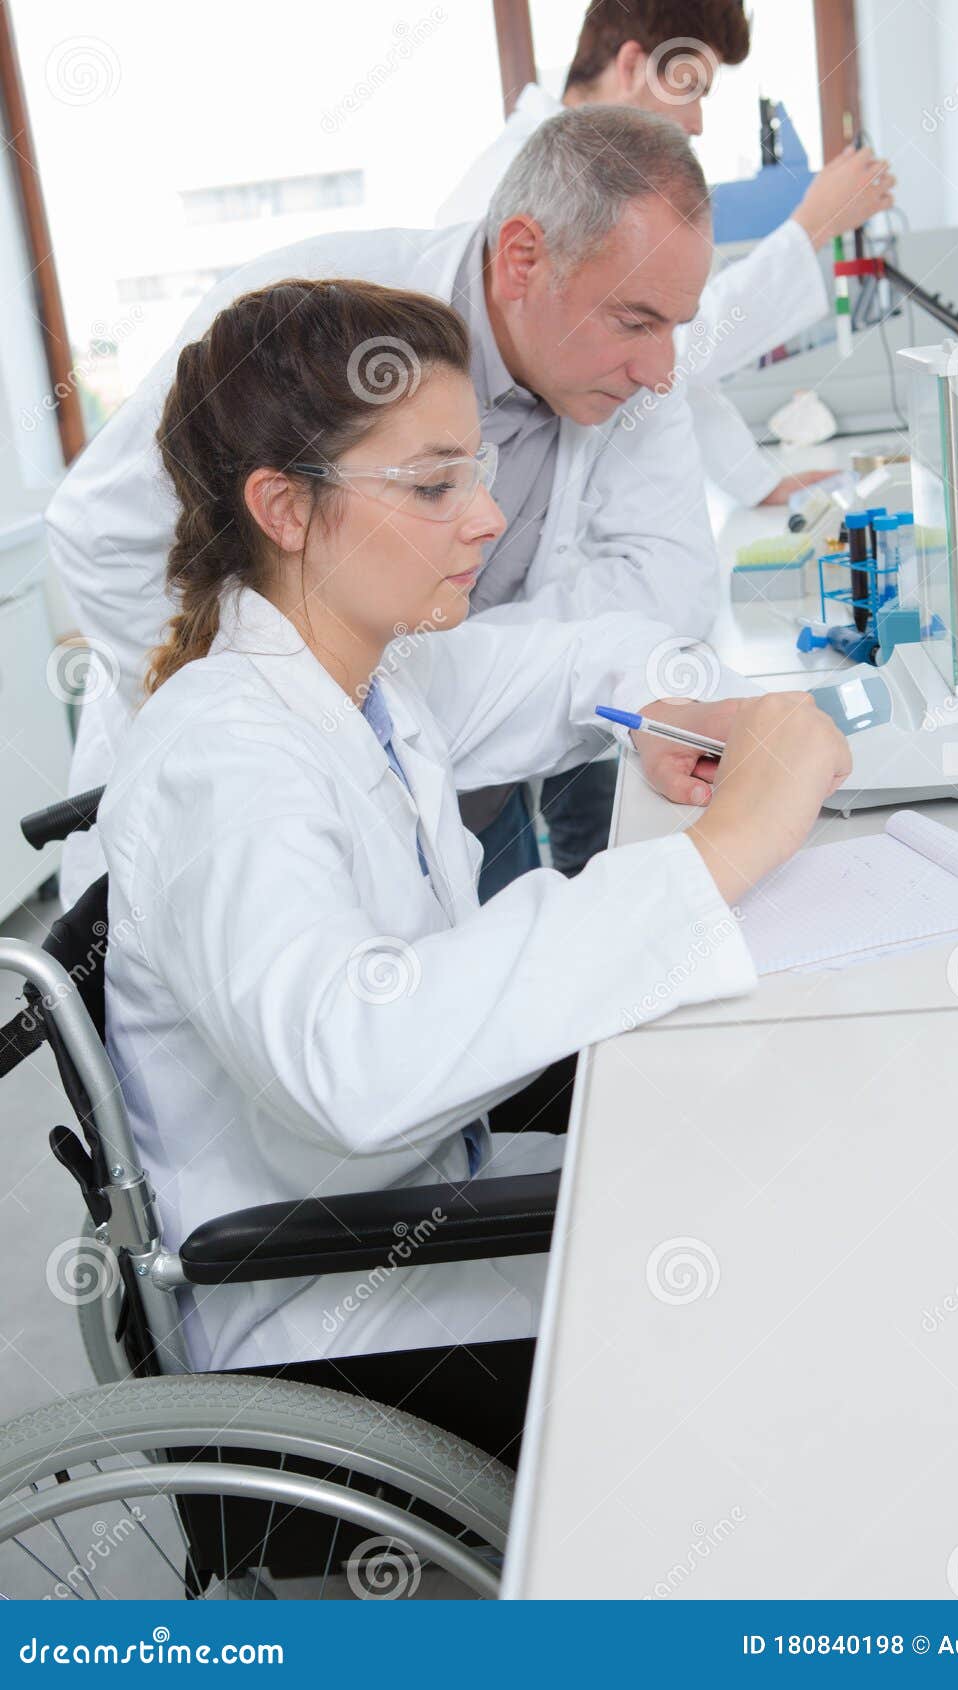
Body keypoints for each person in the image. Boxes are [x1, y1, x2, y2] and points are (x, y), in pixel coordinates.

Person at [97, 276, 850, 1387]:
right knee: (767, 1320)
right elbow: (354, 1063)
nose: (487, 517)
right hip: (337, 1320)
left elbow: (564, 663)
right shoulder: (224, 761)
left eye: (476, 470)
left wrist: (665, 704)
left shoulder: (374, 671)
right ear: (286, 508)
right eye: (433, 483)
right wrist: (720, 851)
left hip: (427, 1221)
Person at [48, 107, 734, 907]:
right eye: (636, 321)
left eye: (675, 327)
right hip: (258, 805)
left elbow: (670, 591)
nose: (660, 368)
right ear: (522, 257)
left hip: (465, 783)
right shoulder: (317, 328)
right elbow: (100, 531)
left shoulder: (626, 378)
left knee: (474, 980)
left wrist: (408, 680)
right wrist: (274, 720)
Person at [437, 0, 896, 510]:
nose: (697, 122)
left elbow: (662, 355)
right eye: (691, 87)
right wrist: (814, 226)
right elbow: (668, 351)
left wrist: (757, 483)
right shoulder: (518, 181)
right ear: (632, 66)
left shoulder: (604, 185)